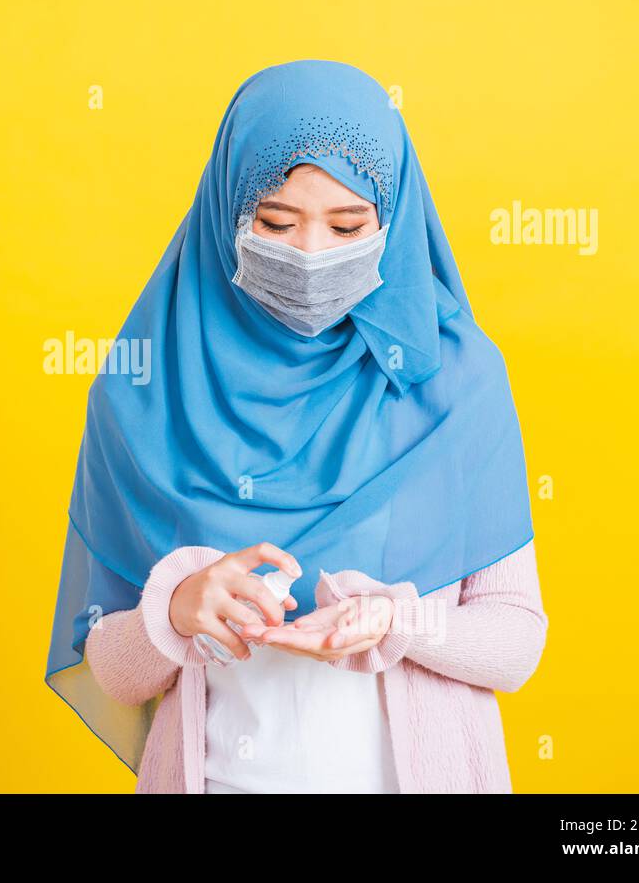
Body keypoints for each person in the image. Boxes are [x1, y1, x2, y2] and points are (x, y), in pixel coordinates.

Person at [44, 59, 548, 793]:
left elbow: (516, 641)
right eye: (277, 223)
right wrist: (177, 610)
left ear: (394, 222)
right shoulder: (142, 392)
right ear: (228, 215)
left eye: (349, 226)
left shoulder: (455, 384)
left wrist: (397, 623)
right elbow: (110, 665)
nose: (311, 255)